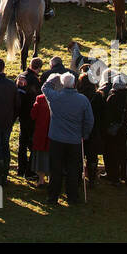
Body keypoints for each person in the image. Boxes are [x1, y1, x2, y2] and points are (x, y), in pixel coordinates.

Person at [42, 72, 93, 207]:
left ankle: (53, 197)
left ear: (63, 84)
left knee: (56, 169)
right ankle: (72, 197)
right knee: (73, 169)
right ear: (75, 84)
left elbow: (45, 88)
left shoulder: (55, 97)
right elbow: (89, 120)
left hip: (56, 139)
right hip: (74, 139)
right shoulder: (82, 100)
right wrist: (84, 133)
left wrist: (54, 78)